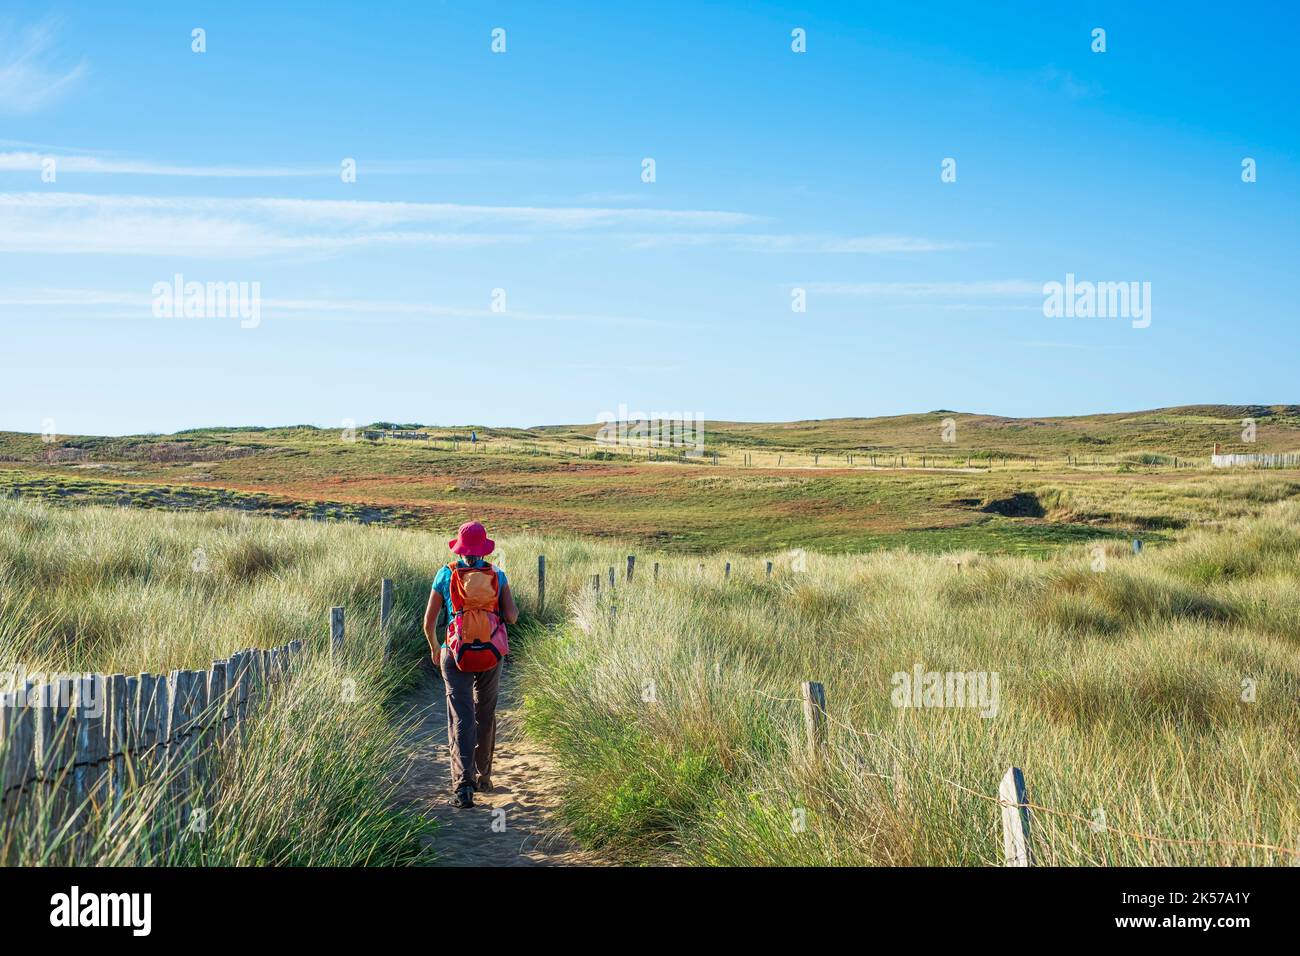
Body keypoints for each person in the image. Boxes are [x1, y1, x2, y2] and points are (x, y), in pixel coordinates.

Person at [423, 520, 519, 808]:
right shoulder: (497, 574)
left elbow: (428, 622)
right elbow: (512, 617)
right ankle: (484, 777)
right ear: (485, 549)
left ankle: (463, 786)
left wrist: (435, 648)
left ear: (459, 548)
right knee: (485, 713)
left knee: (461, 716)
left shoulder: (445, 573)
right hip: (490, 652)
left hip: (455, 653)